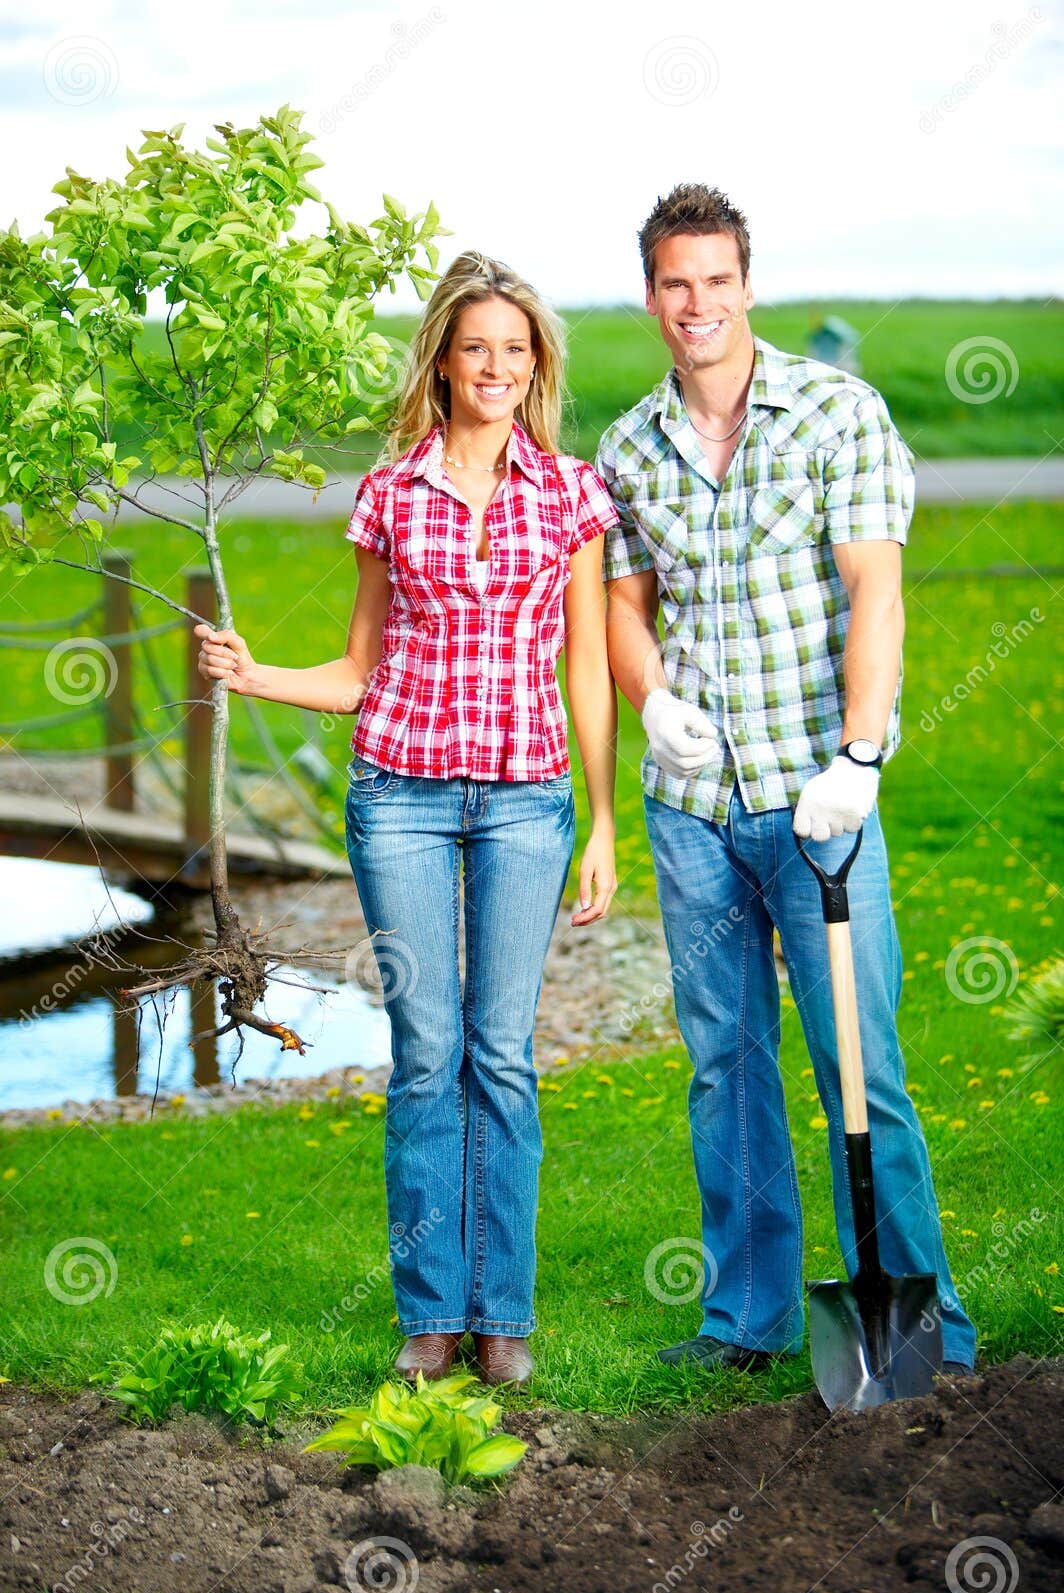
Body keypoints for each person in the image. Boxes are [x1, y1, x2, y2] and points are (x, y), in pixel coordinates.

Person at [196, 251, 620, 1388]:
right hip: (402, 799)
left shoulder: (571, 492)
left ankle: (505, 1316)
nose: (495, 366)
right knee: (427, 1054)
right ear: (441, 358)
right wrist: (251, 673)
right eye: (474, 346)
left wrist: (603, 821)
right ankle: (431, 1313)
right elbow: (355, 669)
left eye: (514, 350)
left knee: (505, 1056)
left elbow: (588, 667)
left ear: (536, 366)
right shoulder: (391, 491)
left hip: (530, 797)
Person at [596, 184, 977, 1376]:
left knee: (857, 1059)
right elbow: (621, 606)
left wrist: (859, 758)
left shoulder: (835, 415)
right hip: (694, 815)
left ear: (745, 284)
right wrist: (648, 700)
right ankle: (744, 1322)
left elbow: (877, 592)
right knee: (723, 1064)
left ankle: (926, 1326)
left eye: (714, 279)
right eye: (673, 282)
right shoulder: (625, 447)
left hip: (819, 803)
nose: (694, 303)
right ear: (649, 294)